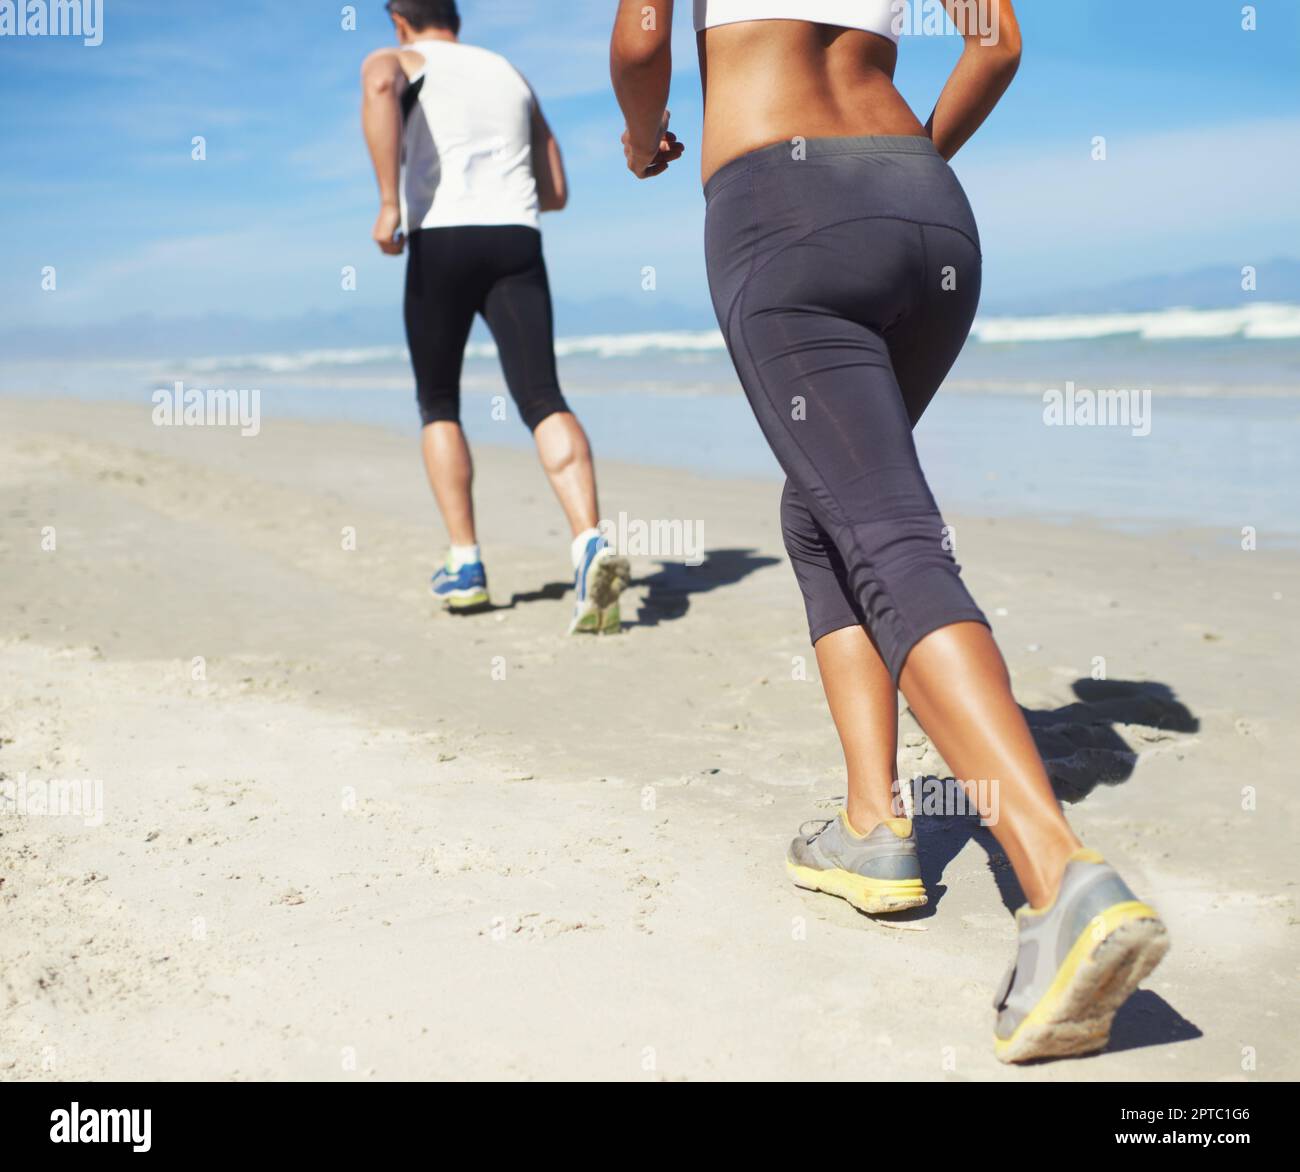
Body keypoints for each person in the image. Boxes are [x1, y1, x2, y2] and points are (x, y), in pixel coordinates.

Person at [609, 0, 1169, 1063]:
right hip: (924, 205)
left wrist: (644, 140)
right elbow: (995, 42)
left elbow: (640, 42)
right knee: (824, 506)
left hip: (781, 204)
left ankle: (1058, 875)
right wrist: (892, 172)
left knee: (885, 531)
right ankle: (875, 825)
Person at [361, 0, 629, 633]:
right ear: (454, 15)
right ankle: (589, 541)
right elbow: (556, 189)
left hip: (443, 241)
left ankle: (466, 565)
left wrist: (387, 202)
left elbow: (378, 87)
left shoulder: (395, 57)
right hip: (516, 238)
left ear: (400, 20)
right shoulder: (510, 71)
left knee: (439, 402)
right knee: (541, 395)